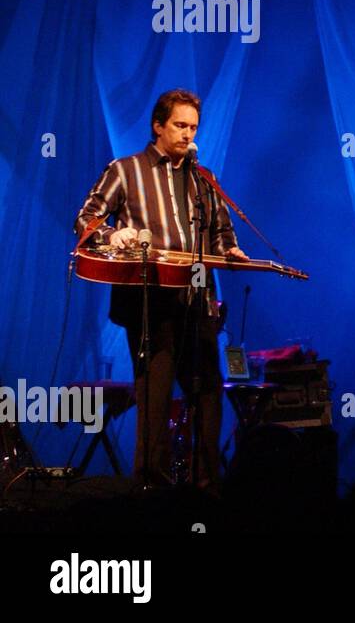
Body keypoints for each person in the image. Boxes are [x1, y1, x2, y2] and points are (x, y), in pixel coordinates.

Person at [74, 88, 248, 487]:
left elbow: (221, 231)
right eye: (180, 126)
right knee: (154, 395)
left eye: (193, 127)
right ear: (158, 126)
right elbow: (86, 220)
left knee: (207, 393)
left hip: (197, 299)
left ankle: (206, 487)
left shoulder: (203, 178)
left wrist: (230, 250)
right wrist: (112, 235)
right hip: (150, 302)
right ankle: (151, 487)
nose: (188, 134)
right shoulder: (126, 170)